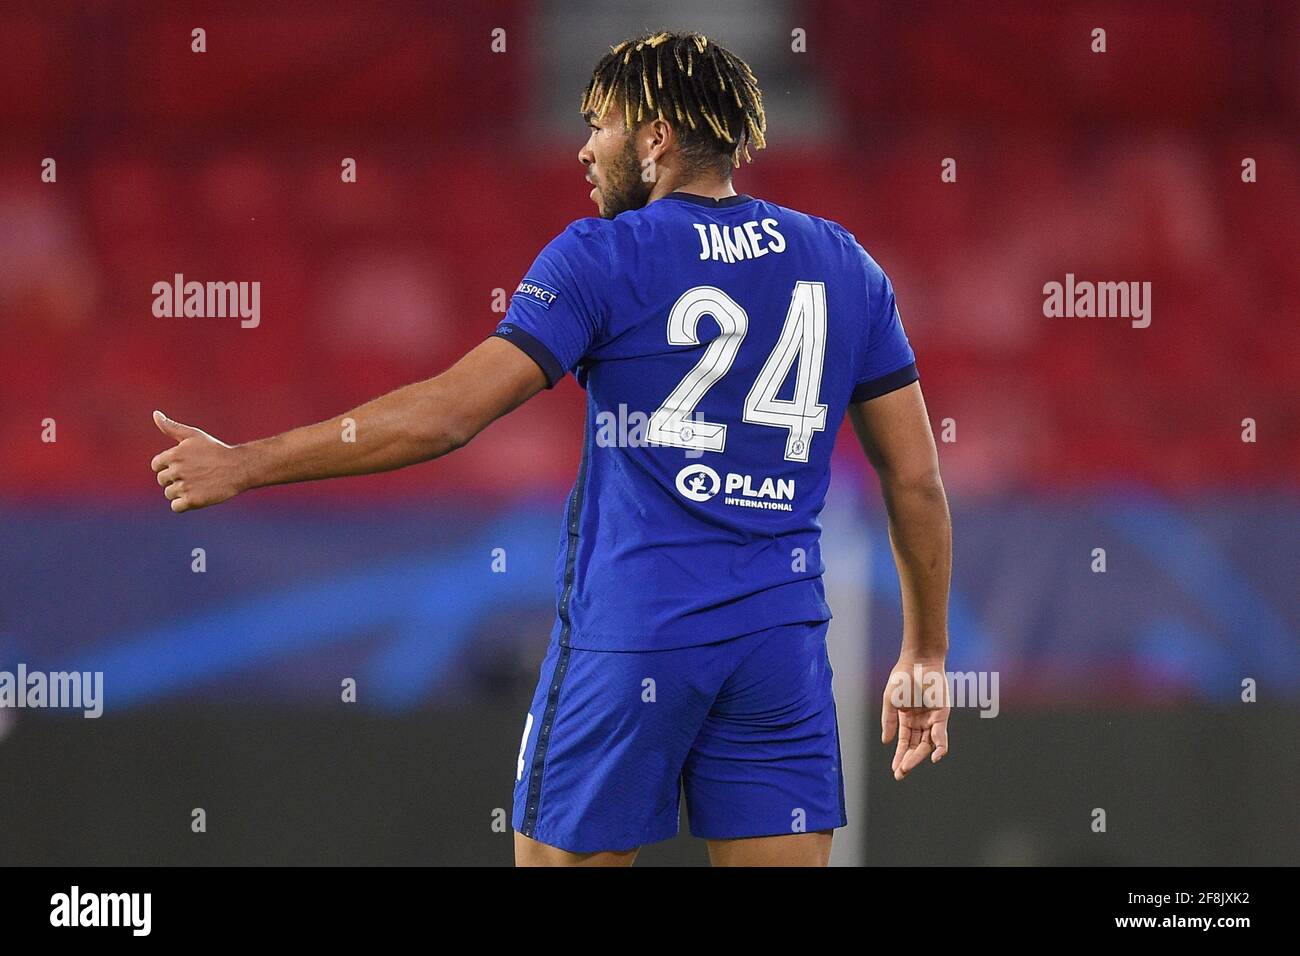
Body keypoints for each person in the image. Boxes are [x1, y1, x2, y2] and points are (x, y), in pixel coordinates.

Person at [150, 31, 953, 867]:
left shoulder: (602, 254)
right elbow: (918, 481)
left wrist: (246, 463)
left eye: (600, 125)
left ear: (656, 141)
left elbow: (447, 415)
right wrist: (924, 656)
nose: (584, 147)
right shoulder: (844, 264)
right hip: (780, 643)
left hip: (634, 631)